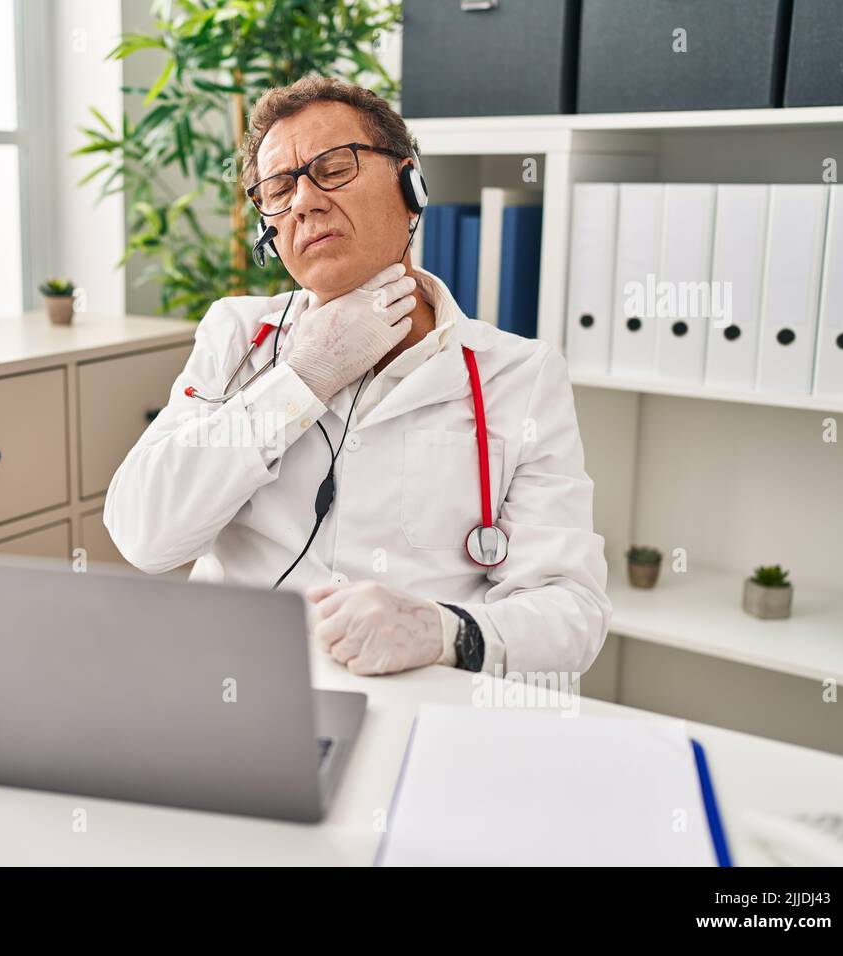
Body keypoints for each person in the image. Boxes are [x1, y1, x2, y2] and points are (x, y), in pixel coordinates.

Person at [104, 75, 610, 679]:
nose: (305, 202)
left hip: (418, 707)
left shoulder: (518, 375)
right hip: (239, 697)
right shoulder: (238, 337)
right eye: (278, 188)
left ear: (411, 182)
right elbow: (144, 534)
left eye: (335, 167)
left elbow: (571, 612)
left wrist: (440, 630)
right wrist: (301, 379)